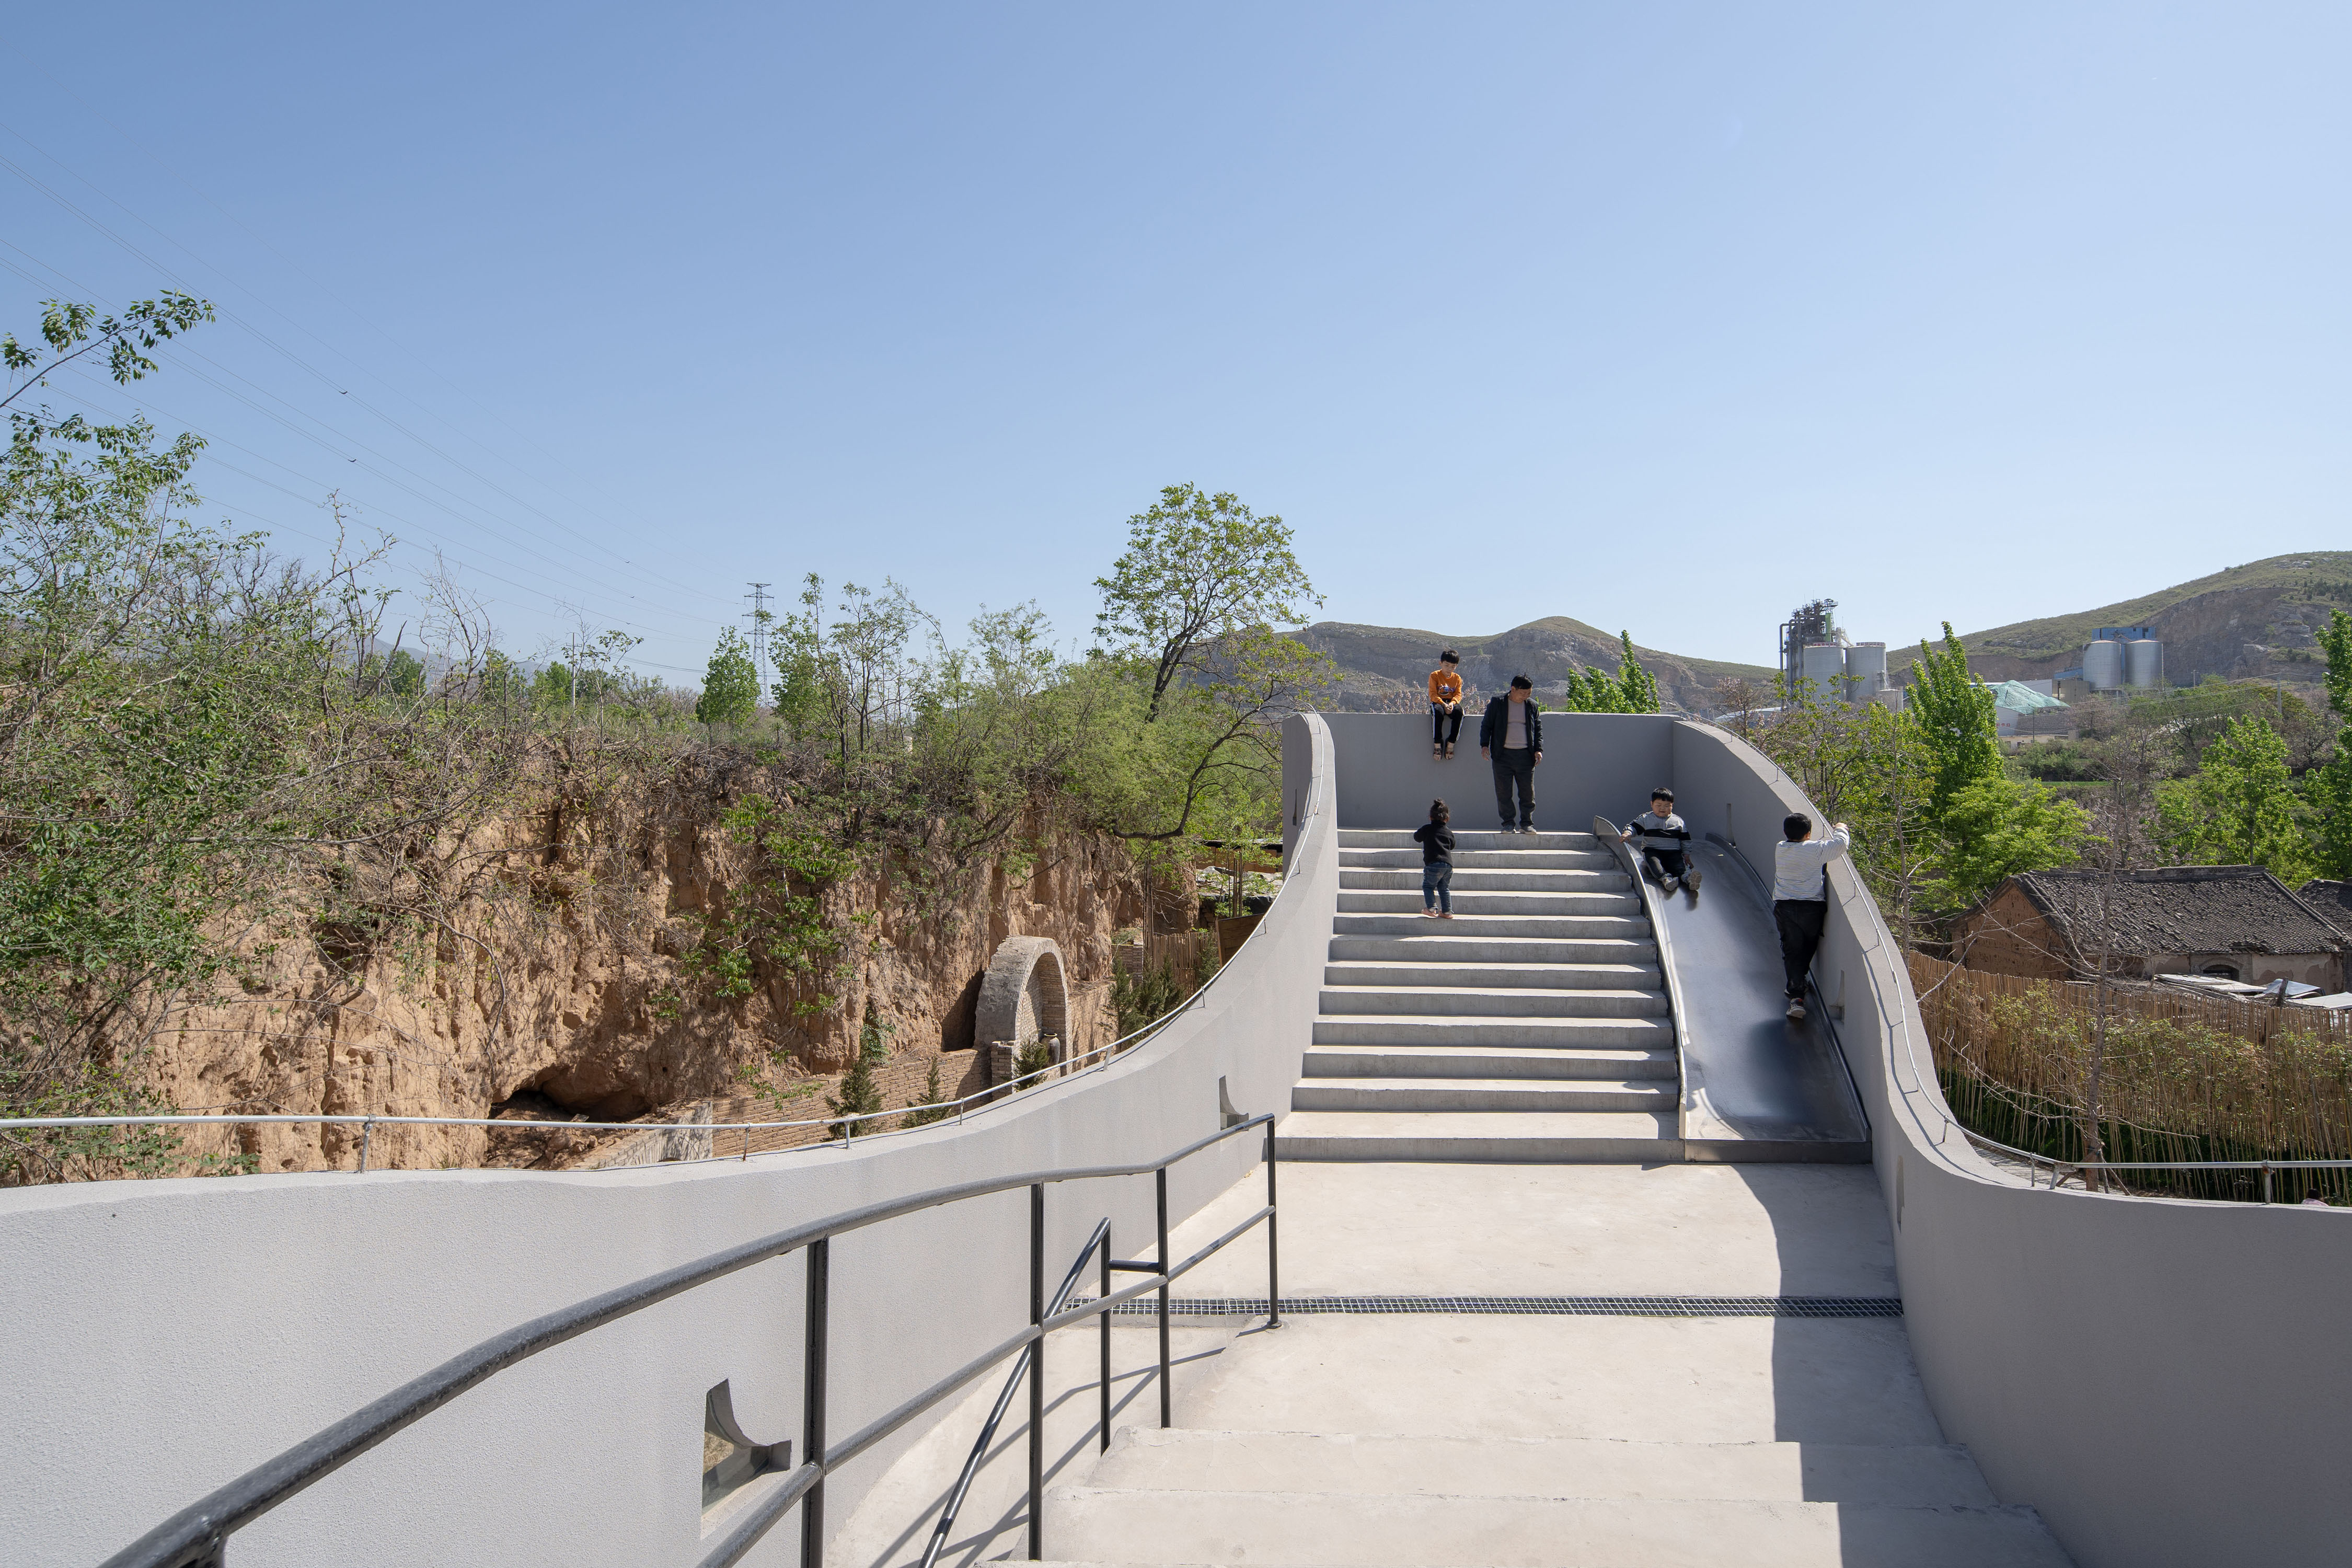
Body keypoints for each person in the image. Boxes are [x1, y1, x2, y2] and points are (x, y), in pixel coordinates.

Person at [1773, 812, 1849, 1021]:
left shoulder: (1780, 847)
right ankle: (1797, 993)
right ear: (1809, 834)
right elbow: (1841, 845)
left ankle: (1797, 989)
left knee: (1791, 948)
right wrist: (1841, 827)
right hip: (1811, 908)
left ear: (1785, 832)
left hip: (1785, 906)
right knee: (1808, 946)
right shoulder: (1816, 849)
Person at [1478, 675, 1543, 835]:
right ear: (1513, 689)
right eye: (1523, 693)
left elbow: (1538, 730)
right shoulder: (1498, 703)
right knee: (1503, 792)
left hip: (1526, 756)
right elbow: (1487, 725)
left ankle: (1527, 824)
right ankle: (1508, 823)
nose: (1526, 696)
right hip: (1502, 755)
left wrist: (1538, 749)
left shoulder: (1532, 706)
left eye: (1529, 693)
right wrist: (1484, 745)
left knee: (1528, 792)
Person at [1620, 787, 1701, 895]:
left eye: (1667, 806)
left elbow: (1685, 839)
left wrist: (1687, 855)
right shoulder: (1646, 819)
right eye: (1658, 805)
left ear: (1672, 805)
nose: (1662, 809)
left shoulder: (1677, 821)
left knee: (1678, 865)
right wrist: (1628, 833)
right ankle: (1666, 879)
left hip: (1673, 851)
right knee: (1655, 864)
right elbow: (1634, 827)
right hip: (1652, 850)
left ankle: (1689, 879)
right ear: (1652, 804)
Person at [1412, 799, 1456, 917]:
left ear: (1430, 817)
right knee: (1444, 888)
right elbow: (1452, 845)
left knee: (1428, 886)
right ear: (1446, 819)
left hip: (1433, 864)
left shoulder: (1427, 829)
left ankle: (1431, 909)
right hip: (1448, 865)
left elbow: (1417, 837)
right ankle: (1447, 911)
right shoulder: (1448, 832)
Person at [1428, 651, 1465, 760]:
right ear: (1441, 664)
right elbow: (1433, 694)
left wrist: (1452, 704)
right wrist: (1444, 705)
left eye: (1453, 667)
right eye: (1447, 666)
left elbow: (1458, 694)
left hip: (1451, 702)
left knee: (1460, 713)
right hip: (1439, 702)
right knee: (1438, 713)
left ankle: (1451, 742)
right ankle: (1438, 744)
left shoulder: (1457, 678)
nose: (1449, 669)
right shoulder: (1434, 675)